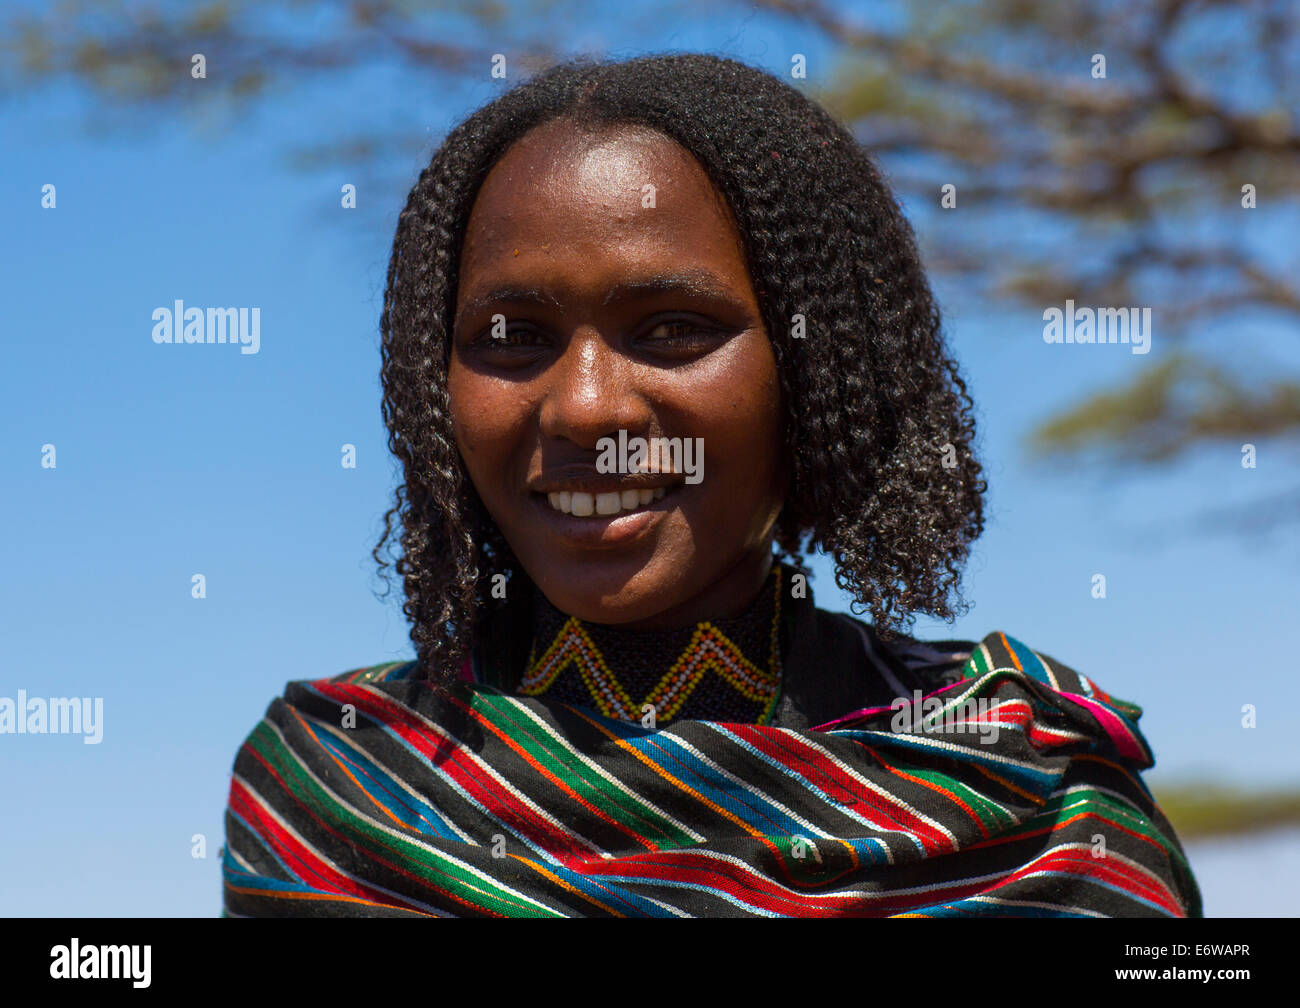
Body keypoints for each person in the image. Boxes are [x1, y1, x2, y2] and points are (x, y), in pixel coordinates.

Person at [222, 53, 1201, 917]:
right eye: (511, 338)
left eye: (673, 329)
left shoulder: (1029, 794)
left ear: (818, 371)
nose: (585, 410)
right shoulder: (341, 785)